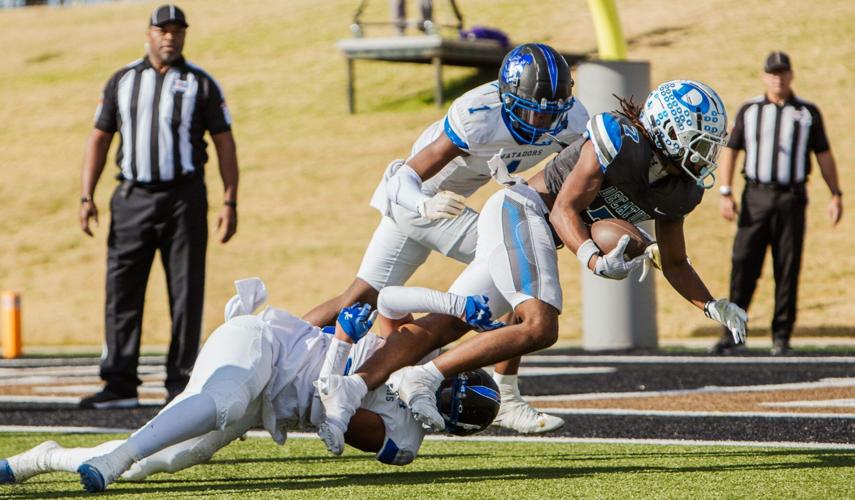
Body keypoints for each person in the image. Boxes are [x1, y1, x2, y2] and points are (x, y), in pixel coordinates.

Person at [315, 80, 750, 446]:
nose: (705, 154)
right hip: (520, 210)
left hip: (535, 230)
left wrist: (712, 306)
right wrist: (594, 262)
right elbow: (563, 209)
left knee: (447, 323)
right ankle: (426, 376)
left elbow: (675, 262)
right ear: (667, 128)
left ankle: (349, 389)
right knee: (540, 323)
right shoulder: (619, 140)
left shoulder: (680, 191)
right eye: (699, 142)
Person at [304, 43, 589, 433]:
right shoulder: (478, 115)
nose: (539, 122)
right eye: (530, 110)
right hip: (416, 201)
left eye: (549, 113)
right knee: (513, 266)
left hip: (443, 205)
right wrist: (423, 205)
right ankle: (505, 396)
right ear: (506, 94)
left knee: (359, 297)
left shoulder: (573, 120)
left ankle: (282, 349)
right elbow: (405, 174)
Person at [0, 279, 501, 492]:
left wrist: (344, 345)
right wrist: (456, 306)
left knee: (169, 458)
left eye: (447, 403)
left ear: (448, 425)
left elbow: (333, 410)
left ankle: (41, 458)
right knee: (221, 401)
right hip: (264, 344)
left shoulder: (403, 440)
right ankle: (115, 457)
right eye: (448, 384)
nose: (440, 391)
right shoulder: (412, 353)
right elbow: (390, 296)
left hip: (271, 398)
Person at [78, 4, 239, 409]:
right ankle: (119, 382)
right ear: (148, 33)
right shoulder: (122, 81)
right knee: (122, 290)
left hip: (183, 198)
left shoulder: (201, 84)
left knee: (185, 291)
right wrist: (87, 195)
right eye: (162, 30)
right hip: (131, 197)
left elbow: (224, 143)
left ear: (184, 35)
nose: (169, 36)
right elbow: (99, 138)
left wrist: (229, 200)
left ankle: (181, 381)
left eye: (177, 30)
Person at [713, 51, 843, 356]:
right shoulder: (749, 110)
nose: (778, 78)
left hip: (792, 197)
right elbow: (731, 150)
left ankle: (781, 335)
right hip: (755, 194)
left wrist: (836, 193)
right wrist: (725, 191)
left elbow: (823, 154)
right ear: (764, 76)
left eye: (783, 72)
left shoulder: (808, 113)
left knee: (787, 266)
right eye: (772, 73)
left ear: (791, 75)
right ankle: (733, 333)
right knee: (743, 263)